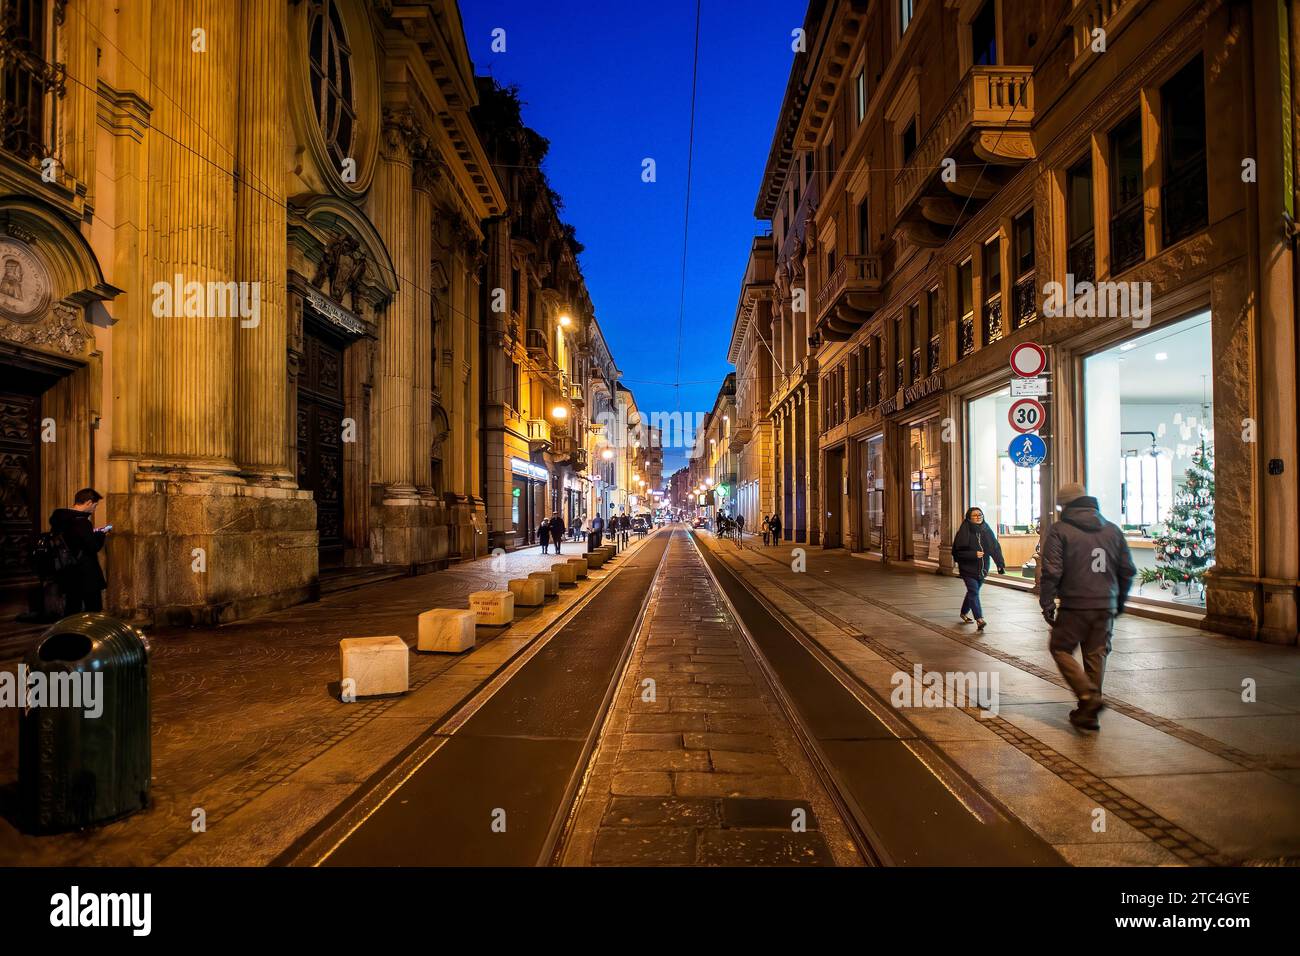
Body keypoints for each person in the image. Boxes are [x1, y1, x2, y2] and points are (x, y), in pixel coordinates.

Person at [1040, 482, 1136, 732]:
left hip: (1076, 603)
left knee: (1060, 647)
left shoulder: (1060, 530)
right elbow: (1127, 569)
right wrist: (1119, 601)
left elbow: (1052, 570)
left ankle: (1088, 696)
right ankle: (1088, 714)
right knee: (1095, 654)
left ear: (1065, 506)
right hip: (1105, 605)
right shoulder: (1113, 530)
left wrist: (1047, 601)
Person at [49, 487, 108, 614]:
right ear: (88, 503)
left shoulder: (60, 518)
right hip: (85, 572)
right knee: (93, 608)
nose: (94, 509)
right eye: (95, 505)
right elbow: (93, 547)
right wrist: (101, 534)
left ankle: (70, 632)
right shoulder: (82, 522)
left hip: (68, 569)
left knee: (72, 606)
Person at [951, 506, 1005, 631]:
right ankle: (979, 619)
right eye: (975, 515)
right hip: (967, 569)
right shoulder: (963, 531)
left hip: (982, 569)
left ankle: (963, 613)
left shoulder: (986, 530)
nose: (978, 517)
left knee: (972, 592)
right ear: (969, 518)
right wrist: (973, 554)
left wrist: (1000, 564)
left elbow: (995, 548)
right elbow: (956, 553)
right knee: (974, 591)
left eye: (980, 515)